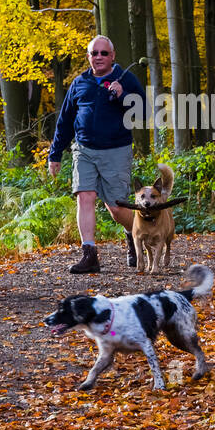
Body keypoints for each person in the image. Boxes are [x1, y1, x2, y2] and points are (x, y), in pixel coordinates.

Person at [49, 35, 145, 274]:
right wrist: (55, 153)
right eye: (94, 53)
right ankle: (89, 254)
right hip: (84, 150)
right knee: (85, 196)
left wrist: (123, 95)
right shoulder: (79, 83)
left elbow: (143, 112)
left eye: (104, 53)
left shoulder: (126, 79)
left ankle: (137, 235)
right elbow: (65, 121)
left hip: (116, 151)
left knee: (116, 209)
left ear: (112, 56)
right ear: (88, 57)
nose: (99, 57)